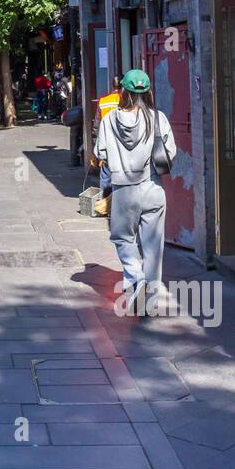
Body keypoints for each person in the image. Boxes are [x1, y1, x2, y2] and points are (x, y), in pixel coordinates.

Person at [93, 70, 176, 316]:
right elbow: (170, 153)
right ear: (148, 92)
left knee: (123, 239)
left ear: (123, 92)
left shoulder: (109, 120)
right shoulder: (157, 118)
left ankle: (136, 277)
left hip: (123, 190)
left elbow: (101, 154)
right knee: (152, 245)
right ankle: (150, 297)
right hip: (153, 188)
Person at [93, 77, 123, 203]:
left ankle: (104, 205)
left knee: (105, 176)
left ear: (112, 86)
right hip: (121, 144)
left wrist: (96, 147)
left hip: (107, 143)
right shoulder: (125, 100)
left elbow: (96, 126)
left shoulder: (103, 101)